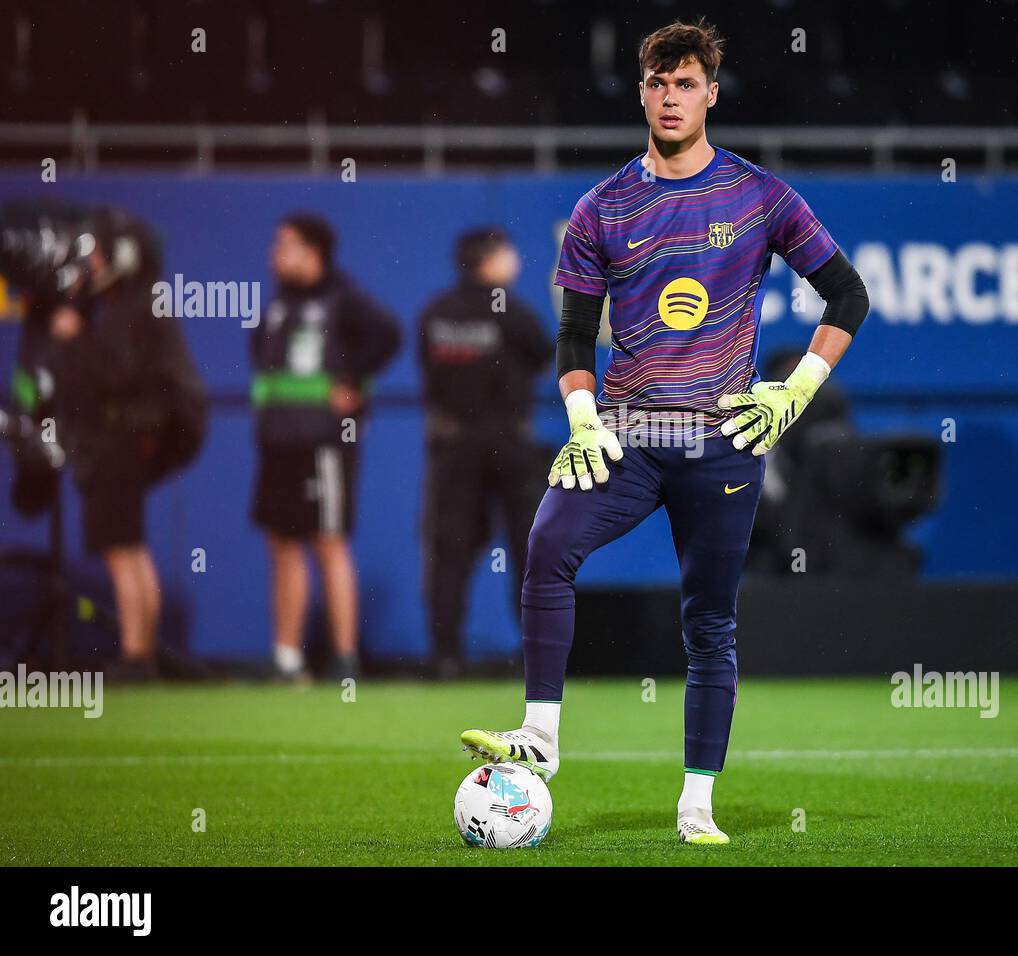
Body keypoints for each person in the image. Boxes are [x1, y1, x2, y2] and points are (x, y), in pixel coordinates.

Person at [459, 20, 869, 844]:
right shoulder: (602, 207)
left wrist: (794, 393)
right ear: (640, 91)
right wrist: (580, 417)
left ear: (711, 93)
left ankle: (697, 807)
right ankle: (540, 736)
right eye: (657, 81)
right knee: (547, 545)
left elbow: (848, 296)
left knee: (708, 623)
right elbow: (575, 337)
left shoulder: (759, 195)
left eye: (686, 83)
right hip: (627, 438)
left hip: (725, 441)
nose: (671, 96)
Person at [38, 209, 208, 679]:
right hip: (124, 440)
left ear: (126, 254)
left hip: (122, 440)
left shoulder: (133, 308)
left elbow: (115, 374)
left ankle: (137, 655)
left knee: (123, 548)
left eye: (98, 253)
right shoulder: (129, 305)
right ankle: (140, 656)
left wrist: (75, 338)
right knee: (127, 546)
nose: (91, 263)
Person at [251, 213, 401, 682]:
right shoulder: (277, 305)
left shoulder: (344, 298)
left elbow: (389, 335)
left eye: (287, 244)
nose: (276, 253)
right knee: (281, 542)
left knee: (328, 540)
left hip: (324, 443)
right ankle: (287, 658)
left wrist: (352, 381)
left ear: (314, 252)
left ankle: (344, 658)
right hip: (278, 440)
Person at [416, 228, 551, 679]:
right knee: (526, 549)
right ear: (489, 261)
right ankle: (534, 658)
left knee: (450, 552)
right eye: (508, 253)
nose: (515, 259)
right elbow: (543, 354)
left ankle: (445, 657)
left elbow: (428, 368)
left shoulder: (437, 311)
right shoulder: (511, 309)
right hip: (509, 445)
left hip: (454, 445)